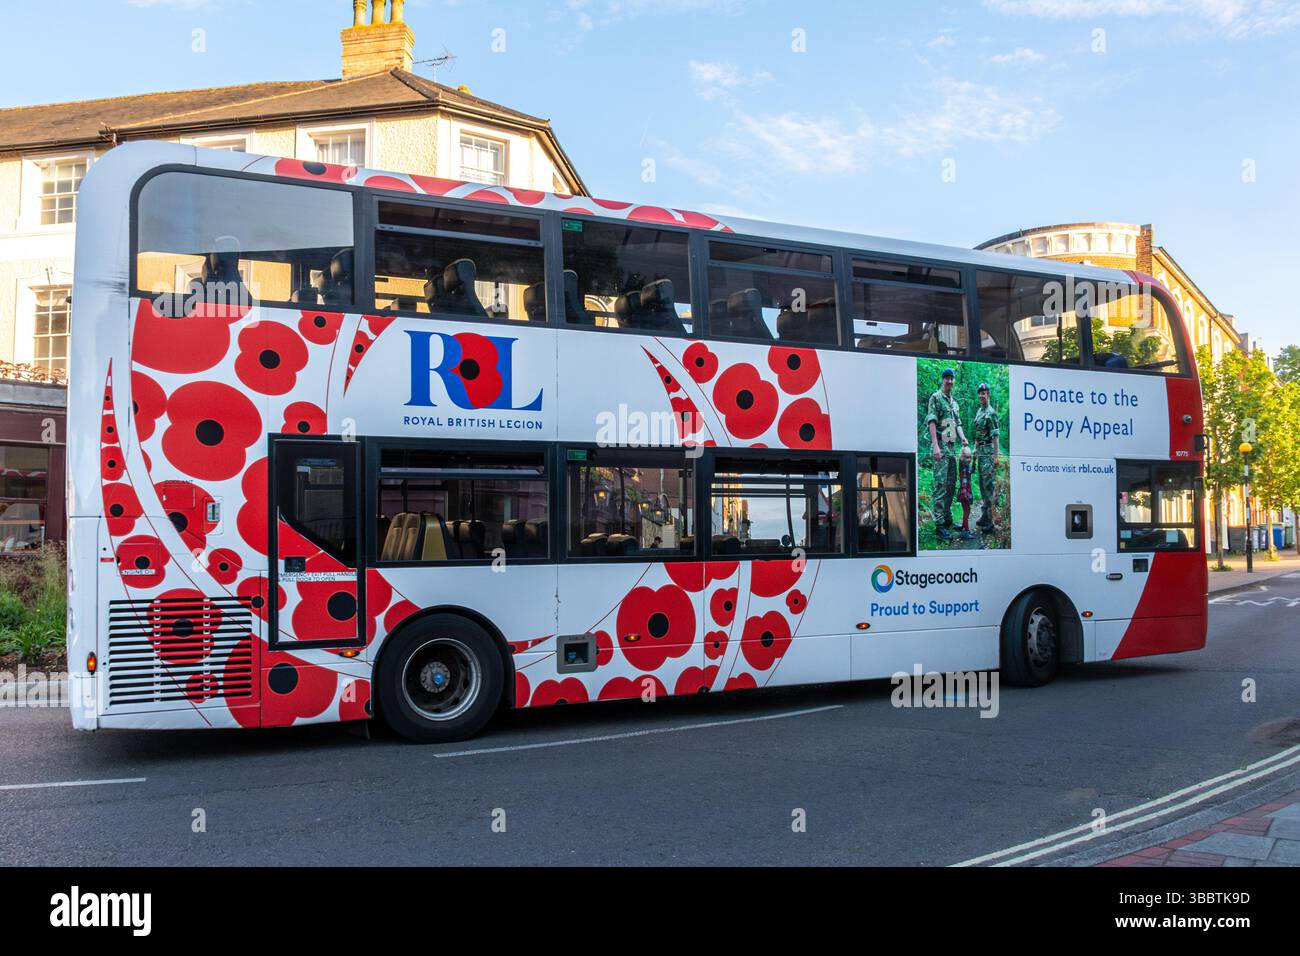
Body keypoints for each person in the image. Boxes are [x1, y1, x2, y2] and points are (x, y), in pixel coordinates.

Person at [925, 367, 969, 542]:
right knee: (940, 485)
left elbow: (957, 423)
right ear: (942, 380)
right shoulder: (935, 398)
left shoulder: (954, 403)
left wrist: (963, 438)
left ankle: (948, 518)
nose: (949, 381)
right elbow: (932, 421)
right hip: (941, 446)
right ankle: (939, 525)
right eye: (947, 378)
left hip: (951, 447)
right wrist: (935, 445)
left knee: (951, 484)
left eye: (951, 378)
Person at [972, 382, 1001, 534]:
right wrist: (975, 450)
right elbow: (977, 433)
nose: (981, 395)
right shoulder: (979, 411)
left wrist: (996, 457)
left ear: (988, 394)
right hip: (981, 452)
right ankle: (984, 515)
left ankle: (991, 520)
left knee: (989, 486)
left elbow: (995, 436)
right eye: (980, 393)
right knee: (983, 485)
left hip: (989, 452)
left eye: (984, 393)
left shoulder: (991, 413)